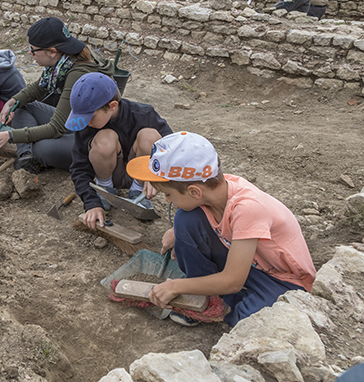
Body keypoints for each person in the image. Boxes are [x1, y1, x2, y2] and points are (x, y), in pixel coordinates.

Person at [126, 131, 316, 327]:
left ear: (194, 192)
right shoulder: (215, 189)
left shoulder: (248, 208)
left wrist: (175, 286)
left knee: (248, 321)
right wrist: (178, 232)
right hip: (249, 261)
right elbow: (193, 218)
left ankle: (218, 301)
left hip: (283, 280)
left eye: (167, 194)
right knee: (185, 218)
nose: (166, 200)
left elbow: (233, 281)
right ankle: (205, 296)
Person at [0, 17, 113, 174]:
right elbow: (39, 87)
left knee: (42, 147)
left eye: (33, 50)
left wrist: (9, 135)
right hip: (74, 123)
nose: (30, 53)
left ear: (52, 52)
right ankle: (27, 157)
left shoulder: (77, 73)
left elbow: (56, 128)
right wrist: (12, 101)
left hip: (91, 135)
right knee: (21, 106)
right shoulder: (64, 62)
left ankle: (35, 154)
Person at [67, 73, 172, 230]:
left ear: (113, 106)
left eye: (91, 116)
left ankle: (138, 192)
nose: (86, 122)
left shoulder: (145, 114)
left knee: (150, 136)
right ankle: (105, 190)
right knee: (105, 138)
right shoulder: (88, 126)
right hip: (109, 174)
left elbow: (174, 150)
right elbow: (79, 168)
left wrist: (157, 173)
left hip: (141, 175)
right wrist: (91, 203)